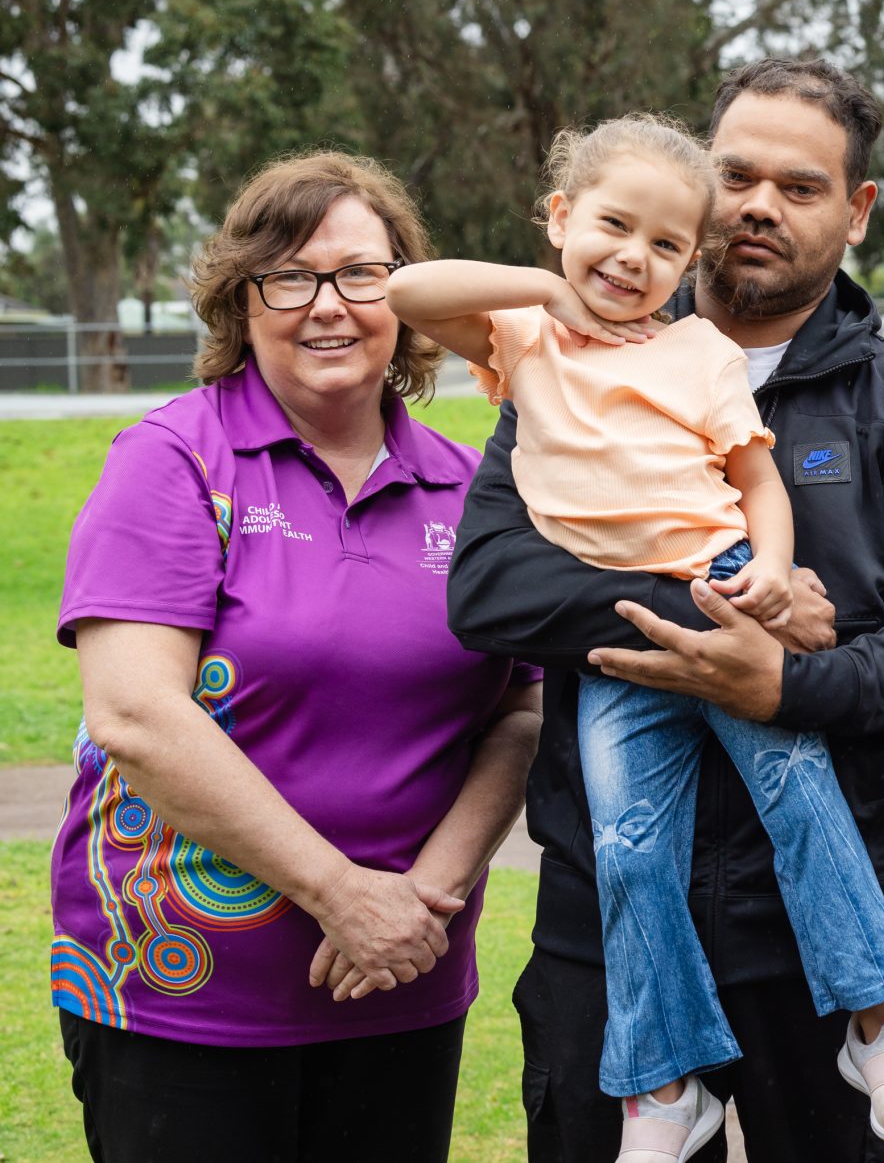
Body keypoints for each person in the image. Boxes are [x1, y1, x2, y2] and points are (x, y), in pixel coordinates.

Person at [443, 60, 884, 1163]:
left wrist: (791, 683)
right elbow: (488, 587)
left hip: (823, 932)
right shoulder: (572, 368)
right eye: (737, 177)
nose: (759, 206)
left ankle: (879, 1028)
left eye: (800, 187)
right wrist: (709, 607)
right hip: (606, 926)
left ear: (856, 210)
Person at [51, 152, 541, 1163]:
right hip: (181, 994)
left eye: (361, 273)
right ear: (243, 299)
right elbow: (135, 715)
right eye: (290, 277)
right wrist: (340, 894)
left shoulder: (474, 487)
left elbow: (522, 710)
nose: (328, 305)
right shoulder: (173, 459)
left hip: (403, 978)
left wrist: (421, 901)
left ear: (405, 296)